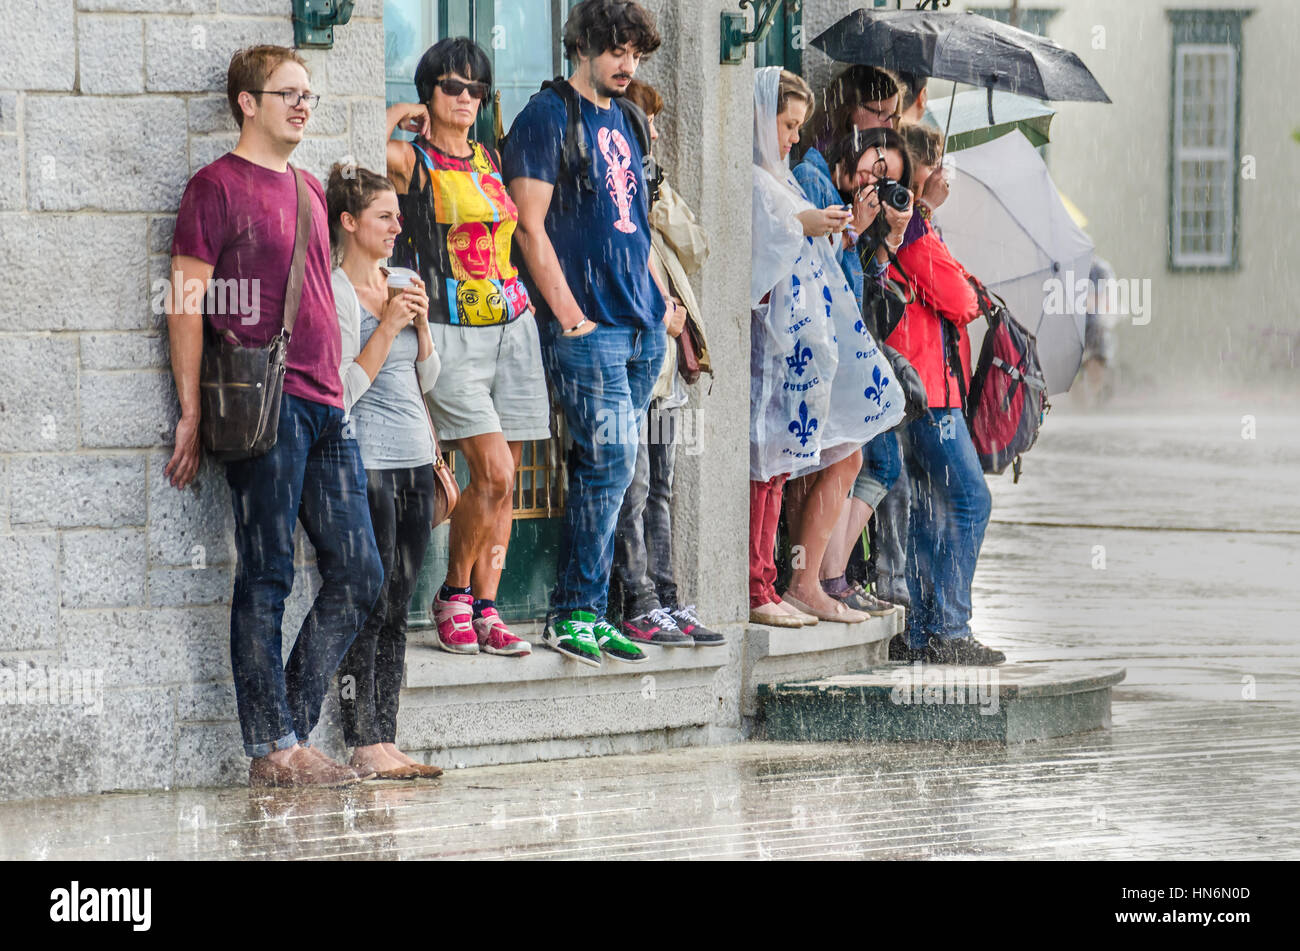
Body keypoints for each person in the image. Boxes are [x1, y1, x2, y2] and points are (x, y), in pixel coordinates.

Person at [165, 46, 383, 787]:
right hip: (267, 405)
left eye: (308, 95)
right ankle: (273, 746)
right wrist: (191, 408)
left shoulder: (310, 192)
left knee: (360, 571)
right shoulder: (214, 187)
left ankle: (289, 724)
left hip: (329, 406)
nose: (301, 105)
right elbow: (186, 301)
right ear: (245, 102)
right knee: (267, 576)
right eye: (286, 93)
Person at [504, 0, 671, 666]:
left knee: (619, 470)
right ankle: (572, 610)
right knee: (606, 464)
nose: (627, 65)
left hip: (639, 326)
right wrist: (571, 317)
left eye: (635, 52)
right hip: (589, 328)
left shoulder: (628, 118)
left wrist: (661, 302)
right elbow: (527, 225)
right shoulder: (547, 116)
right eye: (616, 51)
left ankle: (591, 609)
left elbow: (638, 222)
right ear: (583, 47)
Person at [386, 37, 545, 658]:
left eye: (476, 89)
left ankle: (487, 606)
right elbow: (350, 151)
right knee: (493, 470)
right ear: (430, 90)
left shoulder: (489, 156)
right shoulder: (411, 159)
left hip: (513, 327)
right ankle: (452, 594)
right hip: (449, 330)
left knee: (506, 484)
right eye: (452, 86)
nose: (466, 98)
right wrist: (401, 111)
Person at [749, 67, 904, 628]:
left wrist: (848, 233)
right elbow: (757, 259)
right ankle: (771, 582)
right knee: (771, 466)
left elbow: (827, 267)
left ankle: (792, 580)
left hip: (808, 345)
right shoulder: (764, 180)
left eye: (798, 126)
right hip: (776, 347)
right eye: (787, 124)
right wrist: (808, 226)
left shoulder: (782, 176)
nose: (792, 136)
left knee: (784, 469)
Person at [326, 163, 444, 780]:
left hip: (415, 460)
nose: (399, 226)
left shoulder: (403, 280)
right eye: (384, 216)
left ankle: (386, 736)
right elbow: (340, 389)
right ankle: (360, 739)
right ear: (349, 223)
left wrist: (422, 328)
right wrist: (389, 326)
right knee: (368, 603)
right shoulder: (338, 292)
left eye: (398, 215)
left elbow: (428, 382)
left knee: (400, 602)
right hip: (366, 463)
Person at [882, 127, 1006, 666]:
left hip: (928, 387)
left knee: (930, 511)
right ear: (922, 170)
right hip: (928, 392)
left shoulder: (917, 227)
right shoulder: (910, 228)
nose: (946, 175)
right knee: (970, 500)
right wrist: (927, 215)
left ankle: (925, 630)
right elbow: (961, 298)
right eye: (939, 164)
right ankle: (948, 627)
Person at [609, 78, 724, 648]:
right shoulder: (607, 196)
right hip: (634, 362)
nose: (655, 131)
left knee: (663, 487)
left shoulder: (653, 188)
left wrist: (656, 200)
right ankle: (636, 600)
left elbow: (698, 247)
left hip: (664, 371)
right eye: (648, 122)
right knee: (633, 485)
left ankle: (668, 597)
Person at [793, 130, 913, 618]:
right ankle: (816, 579)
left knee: (857, 461)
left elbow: (866, 295)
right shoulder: (813, 178)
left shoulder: (845, 201)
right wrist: (855, 230)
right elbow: (827, 274)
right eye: (875, 165)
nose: (874, 178)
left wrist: (885, 239)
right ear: (858, 142)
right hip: (813, 349)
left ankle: (826, 578)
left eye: (887, 180)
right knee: (847, 461)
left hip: (840, 353)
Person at [800, 65, 900, 164]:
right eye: (882, 113)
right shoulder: (822, 158)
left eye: (892, 115)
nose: (890, 126)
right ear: (851, 108)